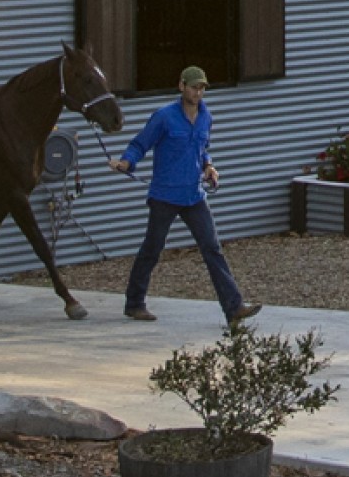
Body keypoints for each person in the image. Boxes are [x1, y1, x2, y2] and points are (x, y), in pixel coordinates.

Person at [109, 65, 261, 326]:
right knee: (152, 249)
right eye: (194, 87)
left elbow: (203, 149)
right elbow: (140, 143)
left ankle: (234, 308)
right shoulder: (164, 117)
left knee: (212, 249)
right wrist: (126, 163)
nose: (198, 92)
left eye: (202, 88)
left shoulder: (206, 117)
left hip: (194, 196)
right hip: (164, 196)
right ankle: (134, 303)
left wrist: (209, 166)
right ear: (181, 86)